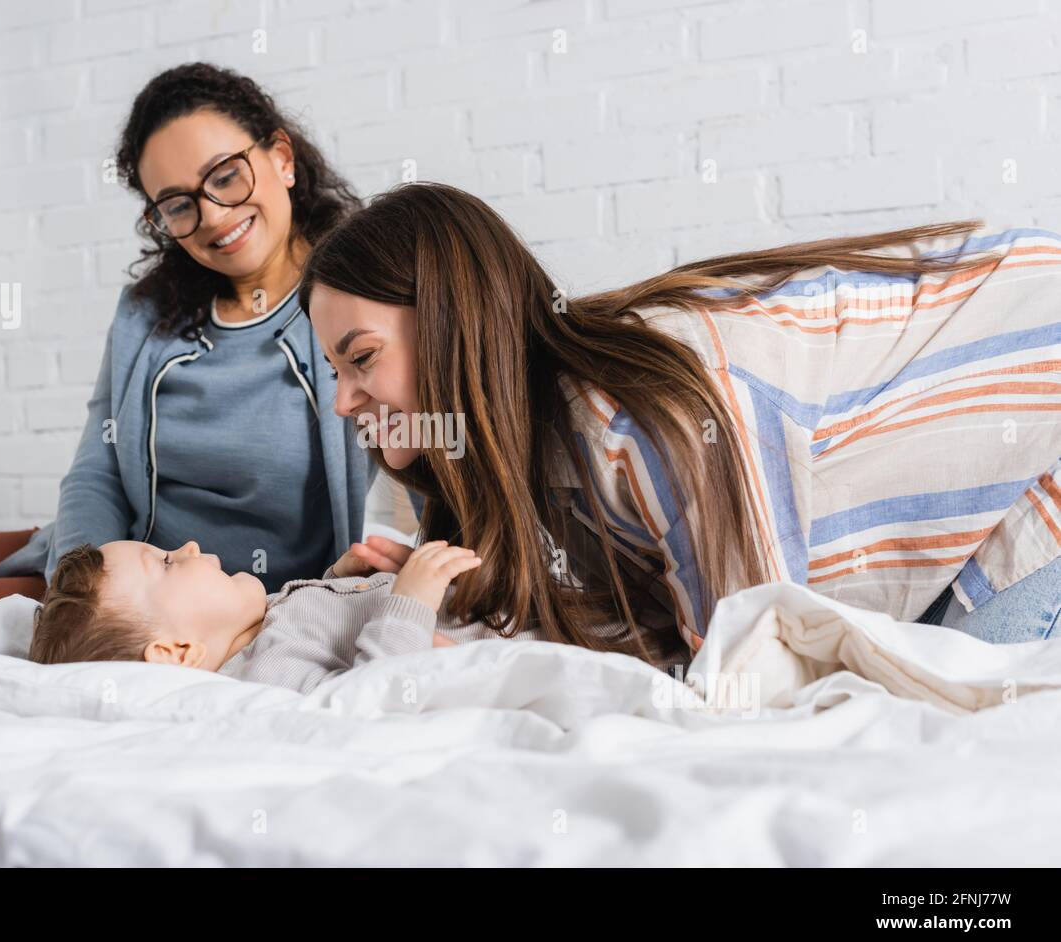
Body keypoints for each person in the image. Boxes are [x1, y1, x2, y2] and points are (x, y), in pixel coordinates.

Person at [298, 182, 1061, 665]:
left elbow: (752, 671)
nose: (343, 402)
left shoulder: (632, 413)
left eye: (360, 358)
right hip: (950, 524)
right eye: (336, 371)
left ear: (454, 325)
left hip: (1038, 430)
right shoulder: (519, 460)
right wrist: (409, 603)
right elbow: (640, 634)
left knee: (948, 727)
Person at [0, 64, 371, 637]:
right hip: (84, 567)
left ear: (282, 158)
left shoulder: (357, 311)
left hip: (176, 609)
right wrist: (78, 579)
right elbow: (95, 470)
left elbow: (440, 466)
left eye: (227, 176)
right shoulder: (148, 313)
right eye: (179, 204)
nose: (212, 216)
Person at [28, 537, 525, 695]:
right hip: (528, 636)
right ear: (176, 652)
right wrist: (410, 602)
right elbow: (366, 698)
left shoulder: (264, 623)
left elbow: (324, 630)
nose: (189, 545)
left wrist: (339, 579)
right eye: (165, 562)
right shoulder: (265, 670)